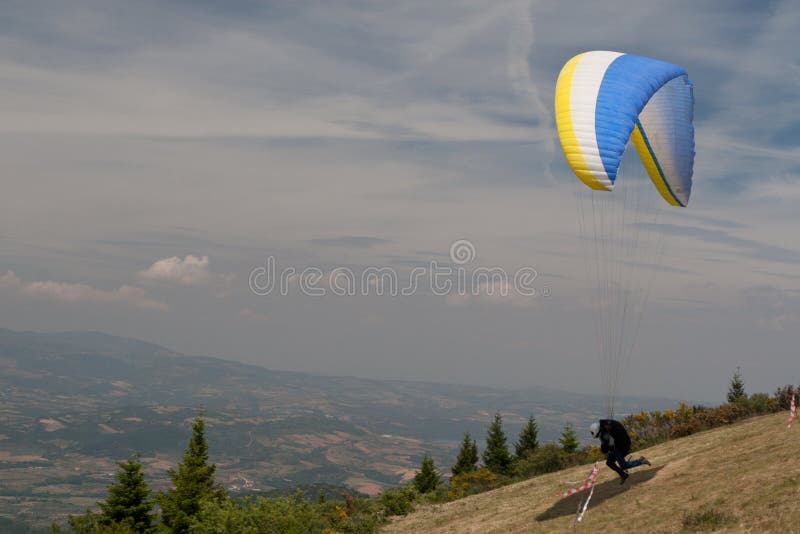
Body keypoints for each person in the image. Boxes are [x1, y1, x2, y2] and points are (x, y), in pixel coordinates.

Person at [590, 419, 651, 484]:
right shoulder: (605, 430)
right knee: (609, 462)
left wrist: (604, 447)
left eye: (597, 436)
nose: (598, 437)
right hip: (617, 447)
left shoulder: (605, 435)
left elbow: (609, 445)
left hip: (620, 448)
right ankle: (623, 475)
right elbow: (609, 445)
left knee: (624, 465)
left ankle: (641, 461)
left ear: (597, 431)